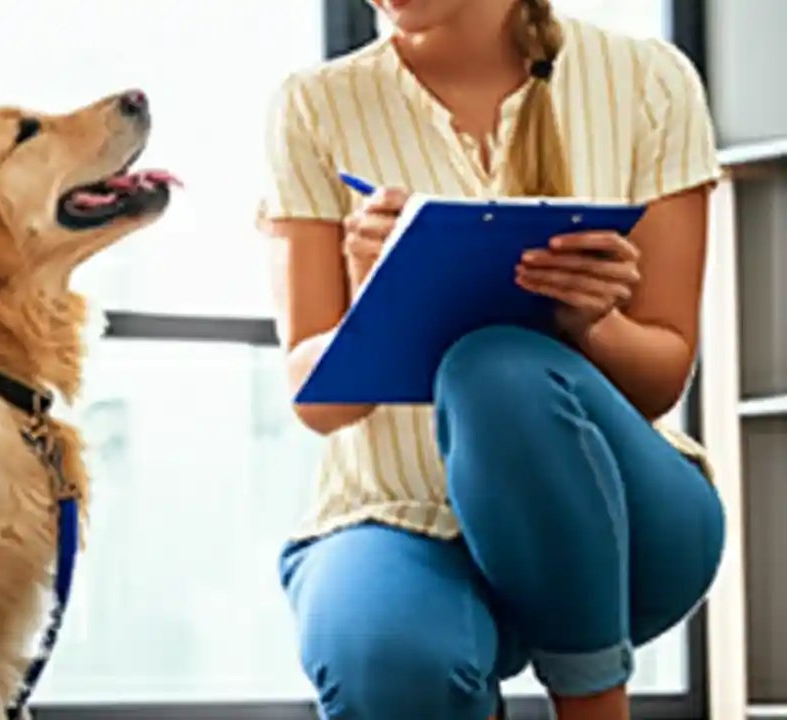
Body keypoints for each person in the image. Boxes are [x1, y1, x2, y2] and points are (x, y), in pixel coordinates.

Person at [258, 1, 726, 719]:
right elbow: (315, 401)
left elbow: (660, 380)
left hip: (624, 522)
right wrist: (380, 298)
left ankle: (593, 700)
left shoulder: (649, 82)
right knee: (385, 657)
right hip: (395, 514)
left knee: (495, 368)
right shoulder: (316, 105)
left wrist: (590, 325)